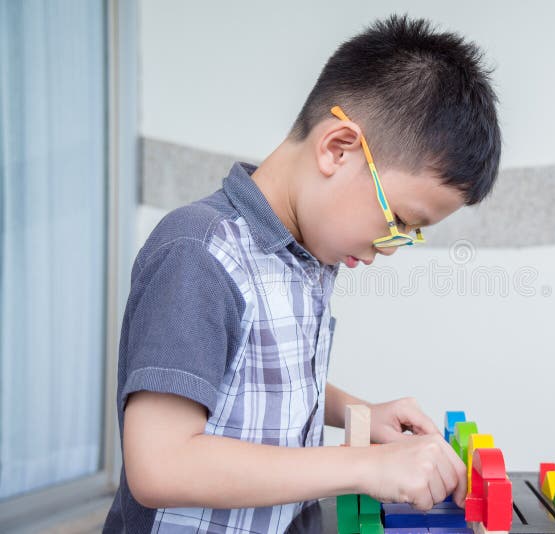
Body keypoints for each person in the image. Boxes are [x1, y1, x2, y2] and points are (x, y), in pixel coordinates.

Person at [104, 13, 501, 533]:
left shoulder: (306, 256)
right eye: (399, 220)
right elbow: (161, 465)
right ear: (338, 149)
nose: (393, 246)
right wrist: (364, 466)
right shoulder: (200, 253)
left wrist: (360, 412)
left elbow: (262, 376)